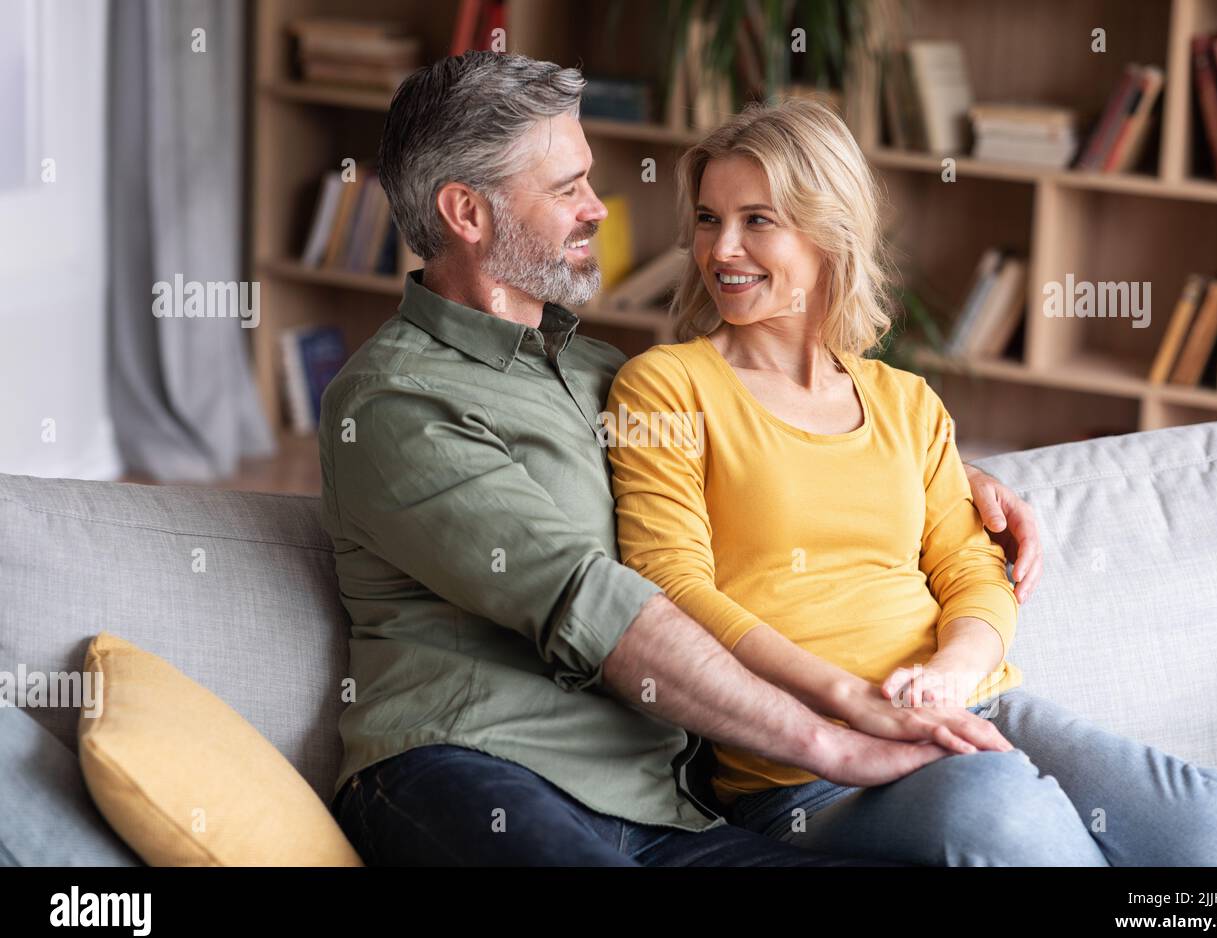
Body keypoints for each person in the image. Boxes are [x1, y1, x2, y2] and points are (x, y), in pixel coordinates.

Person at [318, 51, 1040, 866]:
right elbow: (592, 604)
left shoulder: (607, 376)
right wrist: (831, 741)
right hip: (472, 770)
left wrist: (950, 478)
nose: (598, 208)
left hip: (663, 805)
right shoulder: (395, 402)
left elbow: (758, 460)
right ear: (468, 213)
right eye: (567, 187)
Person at [603, 96, 1217, 866]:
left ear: (830, 229)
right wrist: (852, 701)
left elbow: (972, 569)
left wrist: (945, 677)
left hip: (974, 703)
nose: (721, 248)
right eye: (707, 219)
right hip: (809, 774)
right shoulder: (666, 386)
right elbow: (670, 585)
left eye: (757, 220)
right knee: (1005, 816)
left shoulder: (905, 402)